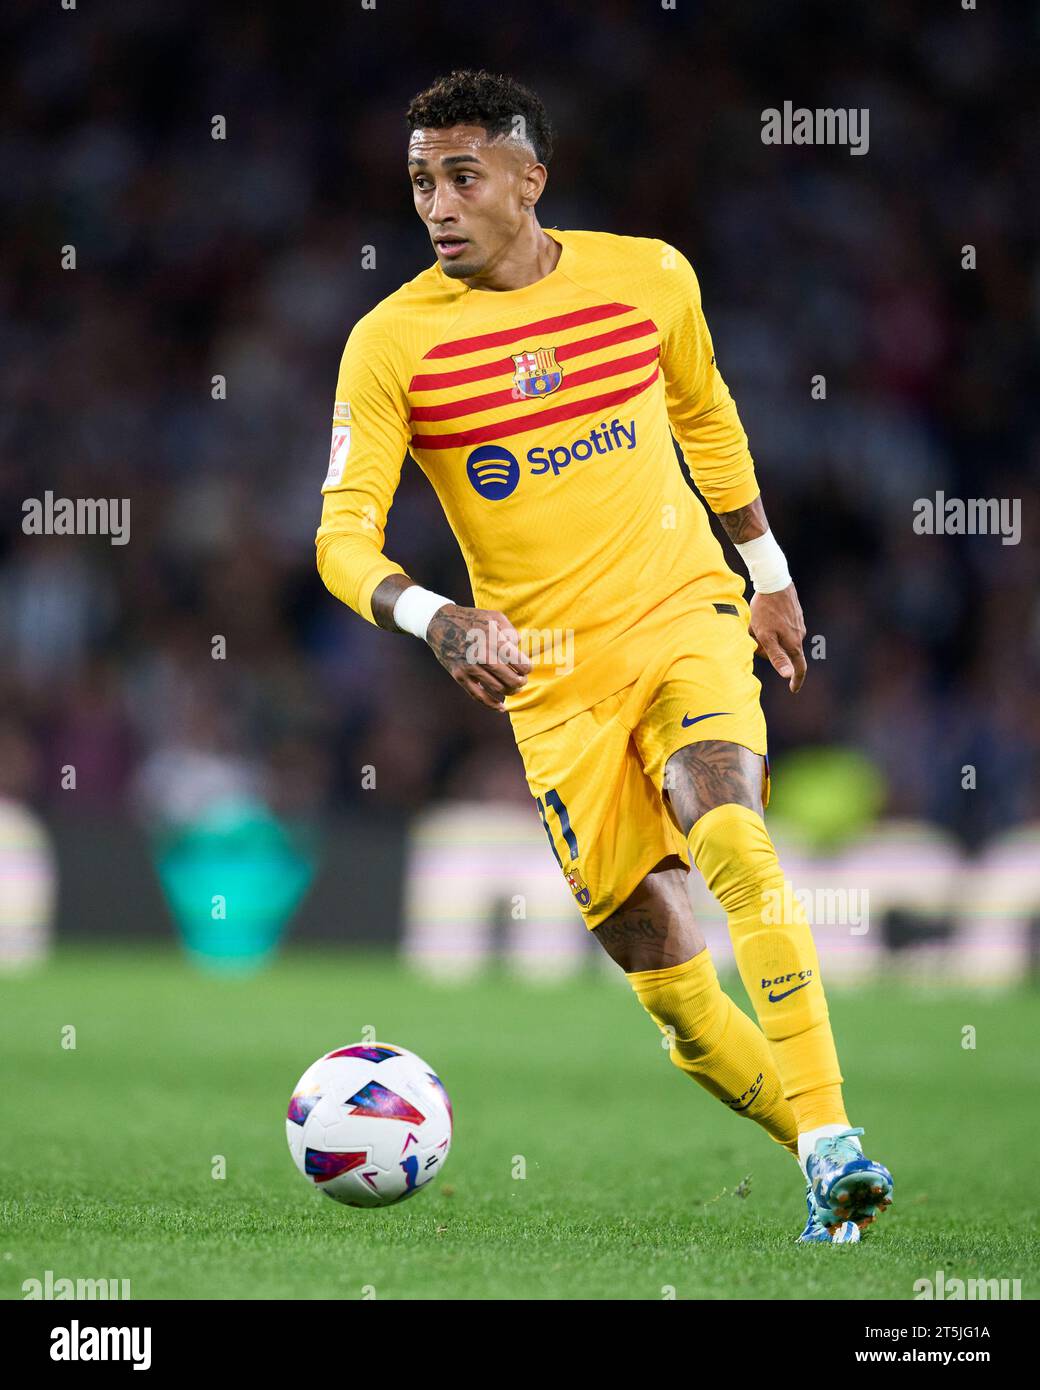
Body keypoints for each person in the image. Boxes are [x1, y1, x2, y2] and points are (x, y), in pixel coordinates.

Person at [316, 68, 893, 1242]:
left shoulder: (648, 275)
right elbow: (338, 538)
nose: (437, 204)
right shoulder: (390, 346)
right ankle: (819, 1153)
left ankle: (832, 1127)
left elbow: (706, 414)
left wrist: (768, 575)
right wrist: (438, 618)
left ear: (530, 178)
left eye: (462, 177)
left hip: (681, 611)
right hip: (549, 680)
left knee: (724, 820)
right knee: (668, 981)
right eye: (421, 181)